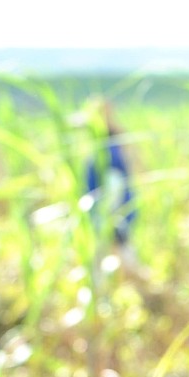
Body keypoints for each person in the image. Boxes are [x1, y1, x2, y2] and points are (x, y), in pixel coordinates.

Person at [82, 97, 139, 259]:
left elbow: (116, 183)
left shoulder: (111, 143)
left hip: (111, 207)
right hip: (106, 204)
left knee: (116, 250)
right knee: (115, 251)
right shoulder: (104, 140)